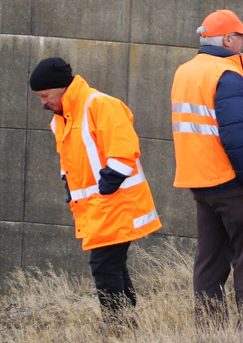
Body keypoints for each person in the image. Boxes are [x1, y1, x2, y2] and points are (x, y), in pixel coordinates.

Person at [28, 57, 162, 325]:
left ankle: (117, 326)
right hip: (98, 206)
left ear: (62, 87)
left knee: (104, 266)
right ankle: (127, 321)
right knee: (113, 265)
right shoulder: (62, 118)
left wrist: (105, 189)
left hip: (114, 203)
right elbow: (70, 164)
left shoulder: (99, 104)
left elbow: (123, 153)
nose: (43, 102)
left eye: (45, 95)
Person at [170, 9, 243, 328]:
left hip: (199, 180)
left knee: (209, 258)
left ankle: (209, 326)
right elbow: (236, 135)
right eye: (241, 35)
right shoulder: (227, 75)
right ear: (227, 39)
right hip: (231, 181)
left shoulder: (185, 71)